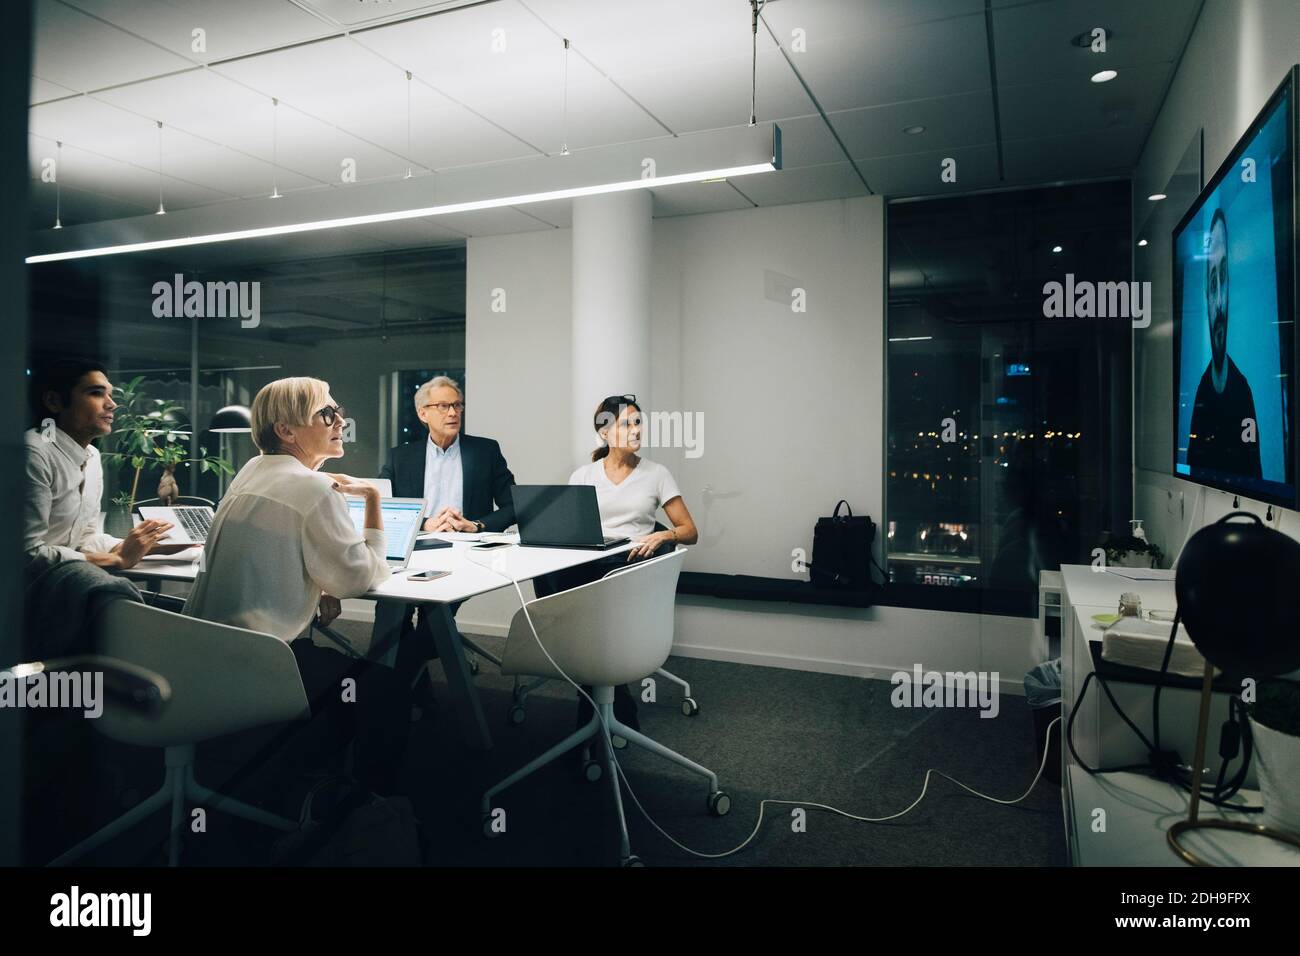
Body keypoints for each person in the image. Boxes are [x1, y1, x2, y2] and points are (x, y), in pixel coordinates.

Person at [183, 376, 410, 797]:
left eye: (337, 410)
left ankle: (306, 770)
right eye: (326, 413)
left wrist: (320, 585)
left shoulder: (252, 471)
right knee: (390, 687)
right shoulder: (311, 487)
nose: (340, 420)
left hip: (204, 651)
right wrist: (372, 499)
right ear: (286, 431)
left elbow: (278, 549)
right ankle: (367, 805)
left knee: (342, 676)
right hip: (261, 662)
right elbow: (361, 577)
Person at [535, 395, 699, 732]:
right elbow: (570, 528)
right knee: (550, 571)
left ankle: (592, 699)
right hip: (589, 561)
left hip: (631, 563)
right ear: (605, 433)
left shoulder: (657, 474)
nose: (636, 430)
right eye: (627, 424)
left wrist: (662, 536)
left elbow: (690, 531)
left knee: (587, 608)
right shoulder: (583, 475)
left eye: (638, 422)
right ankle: (604, 689)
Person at [378, 375, 516, 686]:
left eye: (457, 405)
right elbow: (383, 507)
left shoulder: (485, 451)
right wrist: (423, 522)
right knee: (390, 608)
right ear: (422, 413)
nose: (453, 412)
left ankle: (387, 686)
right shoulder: (401, 456)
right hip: (417, 549)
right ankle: (410, 693)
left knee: (433, 616)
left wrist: (476, 524)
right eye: (443, 406)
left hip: (465, 554)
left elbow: (514, 505)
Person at [24, 357, 178, 569]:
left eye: (110, 394)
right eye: (96, 393)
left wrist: (140, 545)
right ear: (54, 402)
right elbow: (25, 554)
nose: (112, 404)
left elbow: (84, 540)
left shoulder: (92, 456)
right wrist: (117, 559)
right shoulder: (32, 454)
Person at [1187, 208, 1262, 479]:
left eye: (1224, 279)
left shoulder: (1242, 392)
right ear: (1206, 295)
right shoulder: (1201, 392)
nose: (1219, 303)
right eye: (1212, 281)